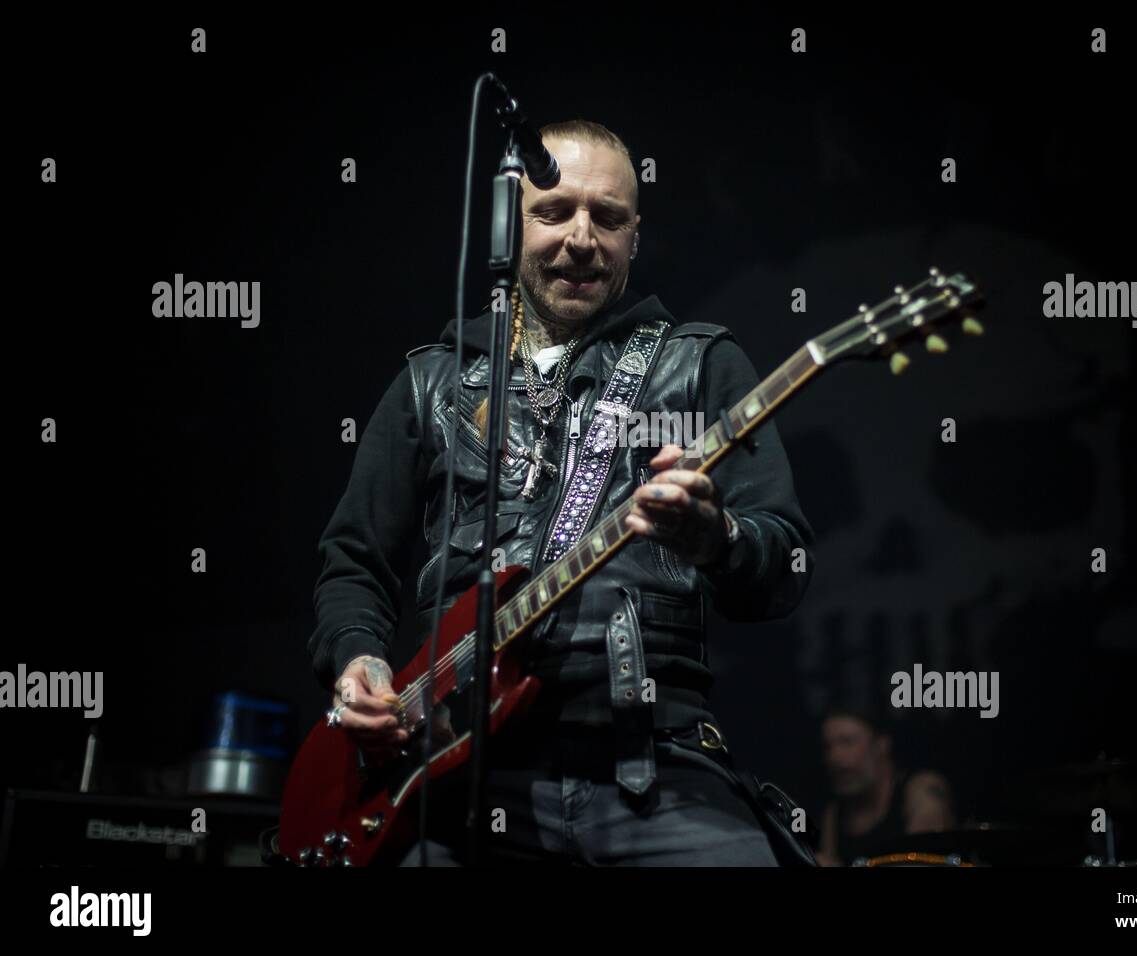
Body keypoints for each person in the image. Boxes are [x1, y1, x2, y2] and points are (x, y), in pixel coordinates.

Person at [307, 119, 816, 865]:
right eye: (555, 212)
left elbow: (784, 568)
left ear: (633, 238)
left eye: (607, 217)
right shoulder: (433, 379)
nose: (582, 237)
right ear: (511, 225)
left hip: (652, 762)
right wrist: (359, 660)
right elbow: (354, 561)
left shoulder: (702, 363)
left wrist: (716, 537)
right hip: (455, 771)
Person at [817, 705, 955, 866]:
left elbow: (921, 857)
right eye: (828, 747)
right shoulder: (834, 815)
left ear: (881, 744)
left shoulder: (919, 788)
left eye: (847, 742)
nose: (834, 757)